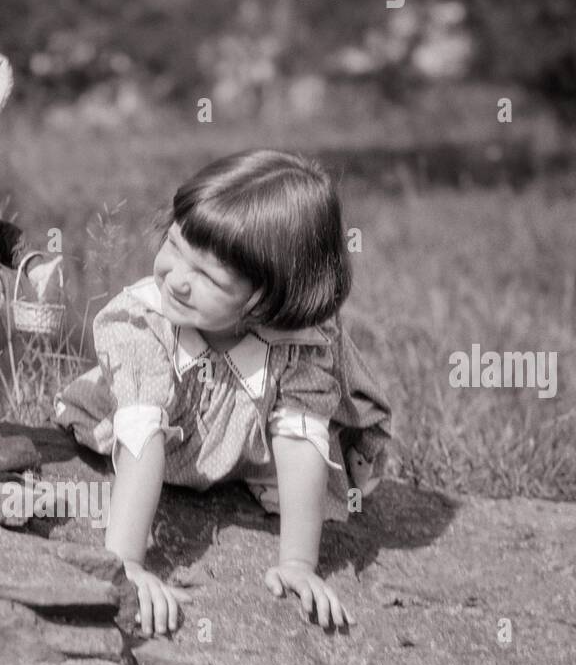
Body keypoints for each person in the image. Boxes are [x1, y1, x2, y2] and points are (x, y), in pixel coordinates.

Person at [55, 150, 392, 635]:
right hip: (162, 442)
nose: (176, 278)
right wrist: (126, 562)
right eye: (174, 244)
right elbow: (143, 432)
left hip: (245, 449)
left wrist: (298, 562)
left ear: (266, 298)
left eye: (208, 276)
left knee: (305, 453)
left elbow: (300, 437)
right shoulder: (143, 324)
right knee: (140, 421)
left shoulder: (297, 347)